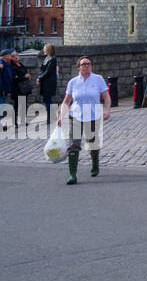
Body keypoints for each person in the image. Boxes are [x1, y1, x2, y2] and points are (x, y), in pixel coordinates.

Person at [56, 55, 109, 185]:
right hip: (76, 116)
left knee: (93, 144)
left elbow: (106, 97)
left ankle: (95, 164)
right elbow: (67, 101)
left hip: (92, 116)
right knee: (73, 145)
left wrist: (107, 110)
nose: (86, 66)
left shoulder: (98, 79)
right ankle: (72, 175)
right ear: (78, 67)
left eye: (88, 64)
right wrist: (61, 116)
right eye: (84, 64)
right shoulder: (73, 82)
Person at [38, 43, 58, 115]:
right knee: (46, 99)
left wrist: (39, 78)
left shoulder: (53, 59)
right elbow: (42, 70)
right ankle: (50, 115)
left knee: (48, 100)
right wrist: (39, 78)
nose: (44, 50)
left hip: (49, 83)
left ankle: (51, 116)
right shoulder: (46, 58)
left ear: (48, 50)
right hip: (45, 82)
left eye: (45, 48)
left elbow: (48, 71)